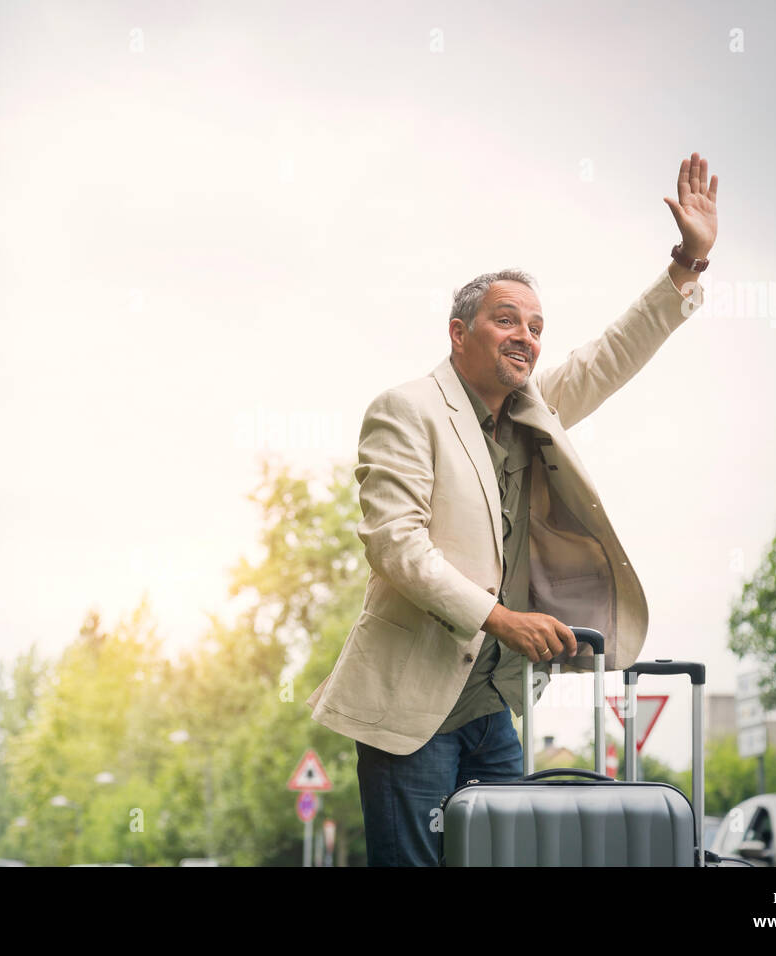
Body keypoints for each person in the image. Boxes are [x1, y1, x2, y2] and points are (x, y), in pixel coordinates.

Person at [305, 153, 720, 866]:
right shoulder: (406, 410)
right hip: (411, 714)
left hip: (494, 709)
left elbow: (610, 354)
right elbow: (398, 550)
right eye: (507, 320)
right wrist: (502, 619)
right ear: (459, 333)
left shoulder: (533, 410)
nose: (526, 335)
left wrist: (686, 261)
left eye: (535, 325)